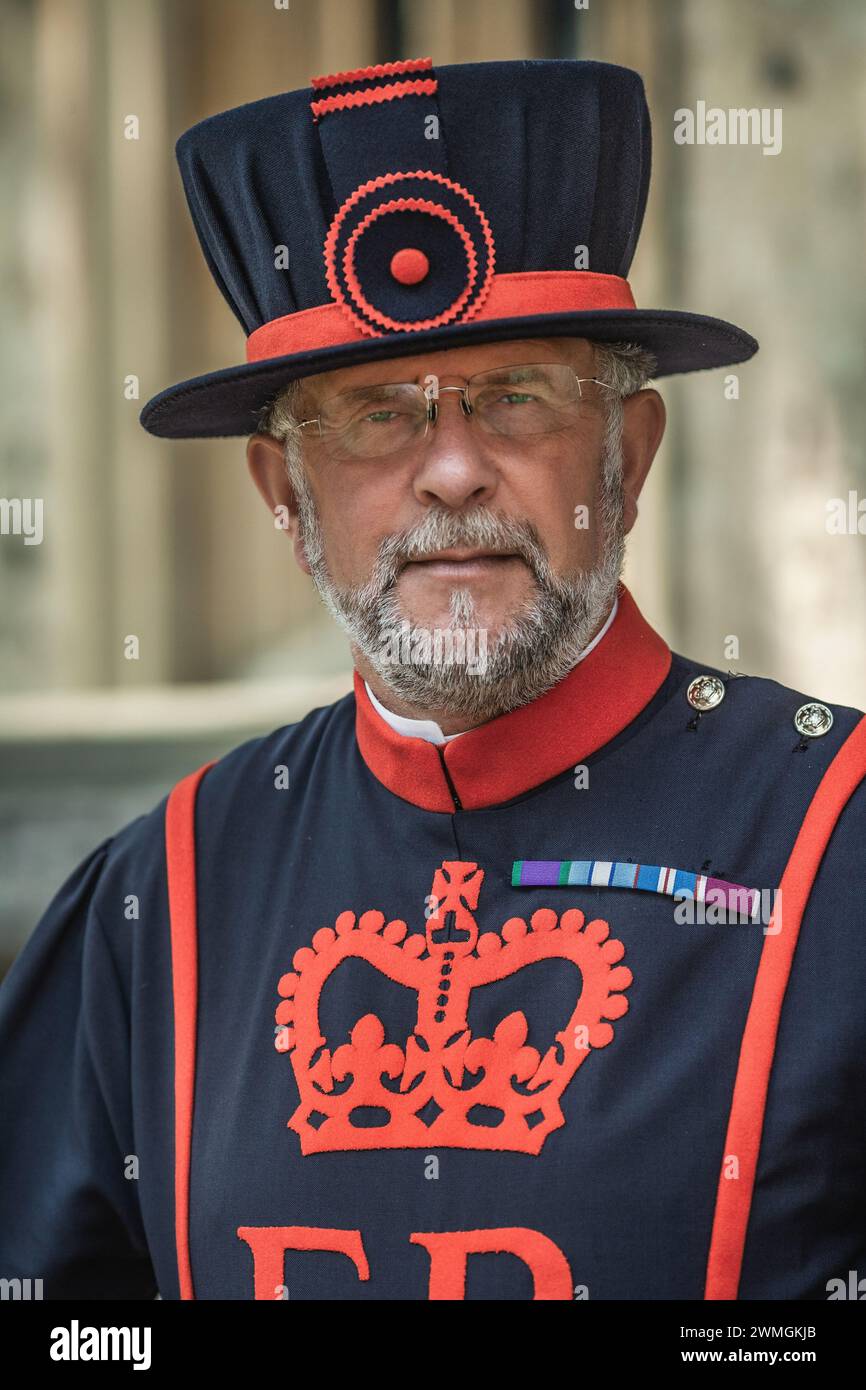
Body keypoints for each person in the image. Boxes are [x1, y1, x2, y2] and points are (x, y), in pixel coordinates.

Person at [2, 56, 865, 1303]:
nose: (452, 471)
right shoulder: (165, 893)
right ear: (283, 497)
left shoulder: (834, 843)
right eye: (373, 414)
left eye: (514, 398)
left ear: (625, 457)